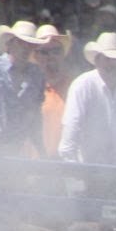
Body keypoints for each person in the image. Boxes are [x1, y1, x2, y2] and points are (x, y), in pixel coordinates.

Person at [59, 31, 116, 167]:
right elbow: (72, 126)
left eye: (115, 59)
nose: (111, 63)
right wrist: (72, 168)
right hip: (84, 170)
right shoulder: (82, 85)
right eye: (107, 58)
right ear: (97, 60)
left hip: (114, 172)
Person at [0, 20, 48, 154]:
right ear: (9, 44)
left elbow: (35, 117)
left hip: (16, 150)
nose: (26, 48)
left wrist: (41, 151)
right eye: (21, 42)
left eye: (30, 44)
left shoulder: (37, 75)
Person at [33, 24, 73, 157]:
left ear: (63, 54)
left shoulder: (76, 87)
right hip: (33, 166)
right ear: (36, 56)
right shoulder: (28, 89)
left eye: (56, 50)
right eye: (44, 52)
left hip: (68, 167)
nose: (50, 56)